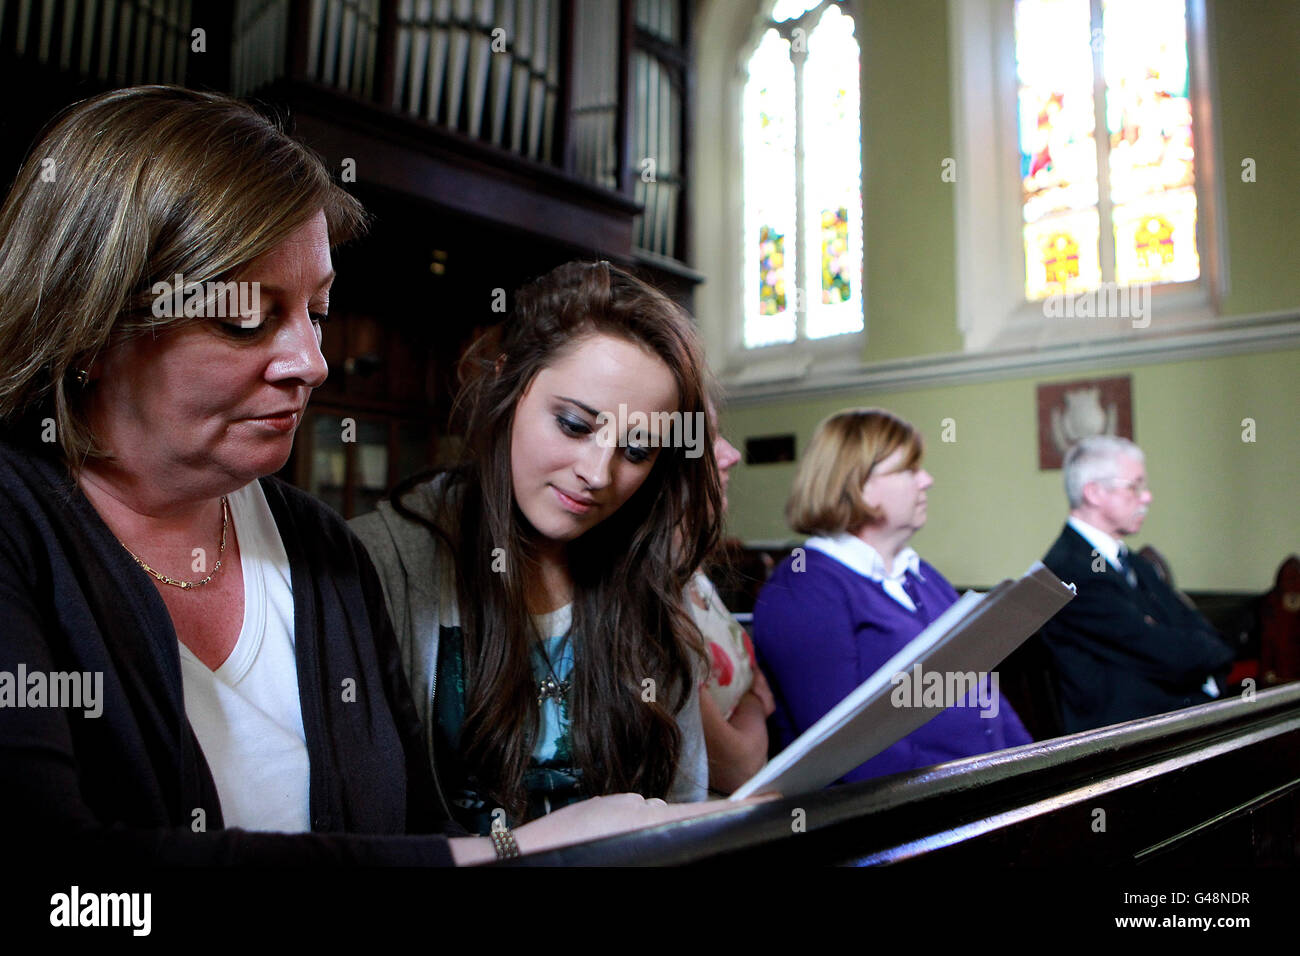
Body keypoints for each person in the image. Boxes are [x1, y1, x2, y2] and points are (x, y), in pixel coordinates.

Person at [0, 86, 728, 866]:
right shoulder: (20, 526)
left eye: (317, 312)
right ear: (90, 324)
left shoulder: (320, 548)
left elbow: (408, 833)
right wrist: (506, 851)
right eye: (245, 319)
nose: (311, 364)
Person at [351, 260, 725, 835]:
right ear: (509, 384)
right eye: (575, 425)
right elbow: (363, 829)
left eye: (637, 450)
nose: (597, 473)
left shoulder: (647, 577)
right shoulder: (379, 562)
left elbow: (676, 806)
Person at [752, 408, 1031, 783]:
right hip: (906, 817)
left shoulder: (922, 575)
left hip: (983, 798)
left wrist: (1033, 770)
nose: (927, 480)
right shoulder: (803, 591)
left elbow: (985, 696)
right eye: (909, 470)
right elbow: (846, 749)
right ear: (857, 483)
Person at [1040, 435, 1235, 733]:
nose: (1146, 497)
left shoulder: (1138, 564)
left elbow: (1202, 632)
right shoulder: (1070, 569)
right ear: (1094, 493)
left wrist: (1200, 652)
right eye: (1134, 486)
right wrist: (1199, 654)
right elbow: (1164, 654)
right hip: (1119, 745)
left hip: (1169, 726)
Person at [688, 409, 775, 794]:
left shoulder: (693, 572)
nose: (732, 453)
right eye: (709, 437)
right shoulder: (650, 592)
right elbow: (735, 767)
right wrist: (755, 701)